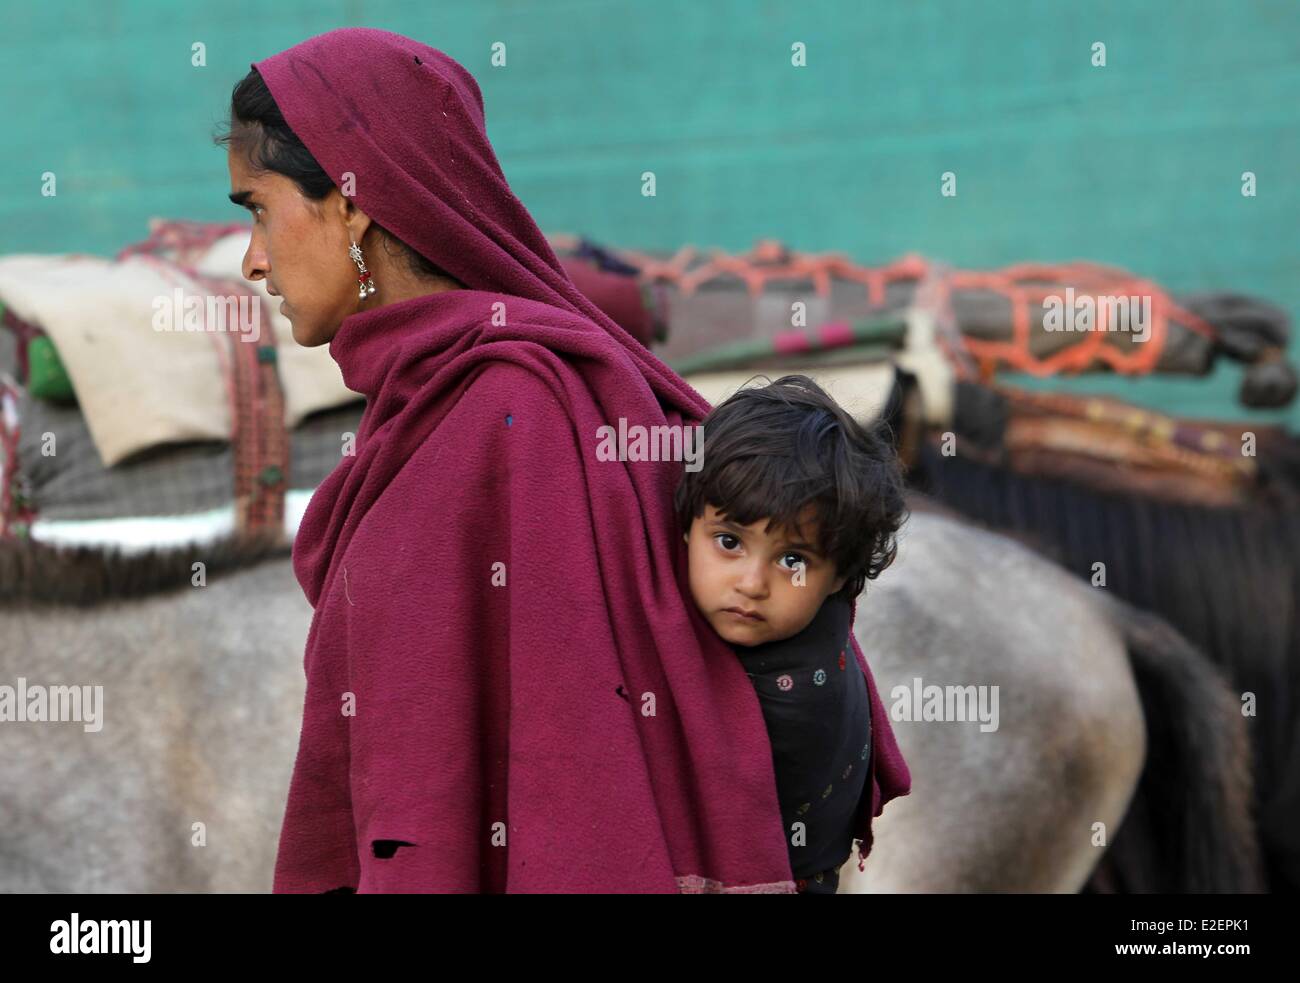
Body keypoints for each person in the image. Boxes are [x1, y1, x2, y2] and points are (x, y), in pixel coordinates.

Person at [218, 27, 910, 893]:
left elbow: (562, 774)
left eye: (257, 207)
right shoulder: (446, 397)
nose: (252, 258)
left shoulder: (508, 415)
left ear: (352, 202)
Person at [676, 375, 908, 893]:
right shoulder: (822, 635)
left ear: (842, 577)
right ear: (687, 527)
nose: (752, 584)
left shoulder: (795, 693)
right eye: (729, 541)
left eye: (791, 559)